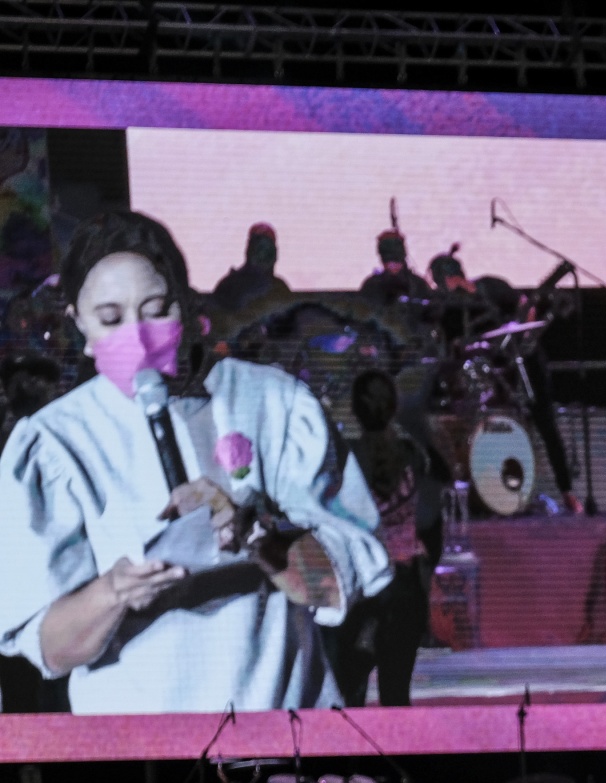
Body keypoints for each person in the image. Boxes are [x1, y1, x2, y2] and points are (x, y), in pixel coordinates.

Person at [0, 210, 391, 714]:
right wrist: (113, 592)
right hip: (142, 751)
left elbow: (335, 587)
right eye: (111, 319)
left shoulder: (271, 403)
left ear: (187, 302)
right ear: (79, 322)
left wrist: (257, 532)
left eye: (157, 310)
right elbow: (52, 649)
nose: (138, 338)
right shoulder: (57, 441)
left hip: (283, 729)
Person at [326, 369, 439, 706]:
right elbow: (430, 523)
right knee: (396, 698)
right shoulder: (415, 456)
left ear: (356, 410)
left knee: (348, 701)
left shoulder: (344, 460)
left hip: (361, 591)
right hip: (406, 588)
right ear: (392, 407)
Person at [208, 222, 291, 312]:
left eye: (267, 249)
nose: (262, 254)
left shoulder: (279, 288)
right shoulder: (229, 285)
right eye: (258, 248)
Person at [358, 229, 431, 306]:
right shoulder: (372, 285)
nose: (393, 265)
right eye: (389, 262)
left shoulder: (418, 284)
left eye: (396, 261)